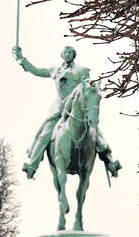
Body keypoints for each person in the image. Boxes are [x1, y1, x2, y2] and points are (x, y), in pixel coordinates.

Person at [13, 41, 120, 180]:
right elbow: (36, 71)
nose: (68, 55)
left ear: (74, 55)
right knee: (44, 133)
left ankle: (110, 162)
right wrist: (22, 59)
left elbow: (87, 88)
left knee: (96, 132)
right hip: (60, 107)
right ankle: (32, 165)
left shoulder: (82, 71)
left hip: (76, 107)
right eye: (66, 52)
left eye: (70, 52)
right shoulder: (55, 70)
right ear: (62, 55)